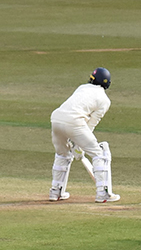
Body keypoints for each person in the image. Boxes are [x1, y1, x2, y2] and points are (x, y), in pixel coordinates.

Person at [49, 67, 119, 203]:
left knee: (62, 154)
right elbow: (91, 124)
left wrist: (77, 145)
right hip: (74, 121)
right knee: (99, 154)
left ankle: (55, 192)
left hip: (56, 119)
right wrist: (79, 145)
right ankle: (103, 193)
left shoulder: (82, 87)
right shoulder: (104, 100)